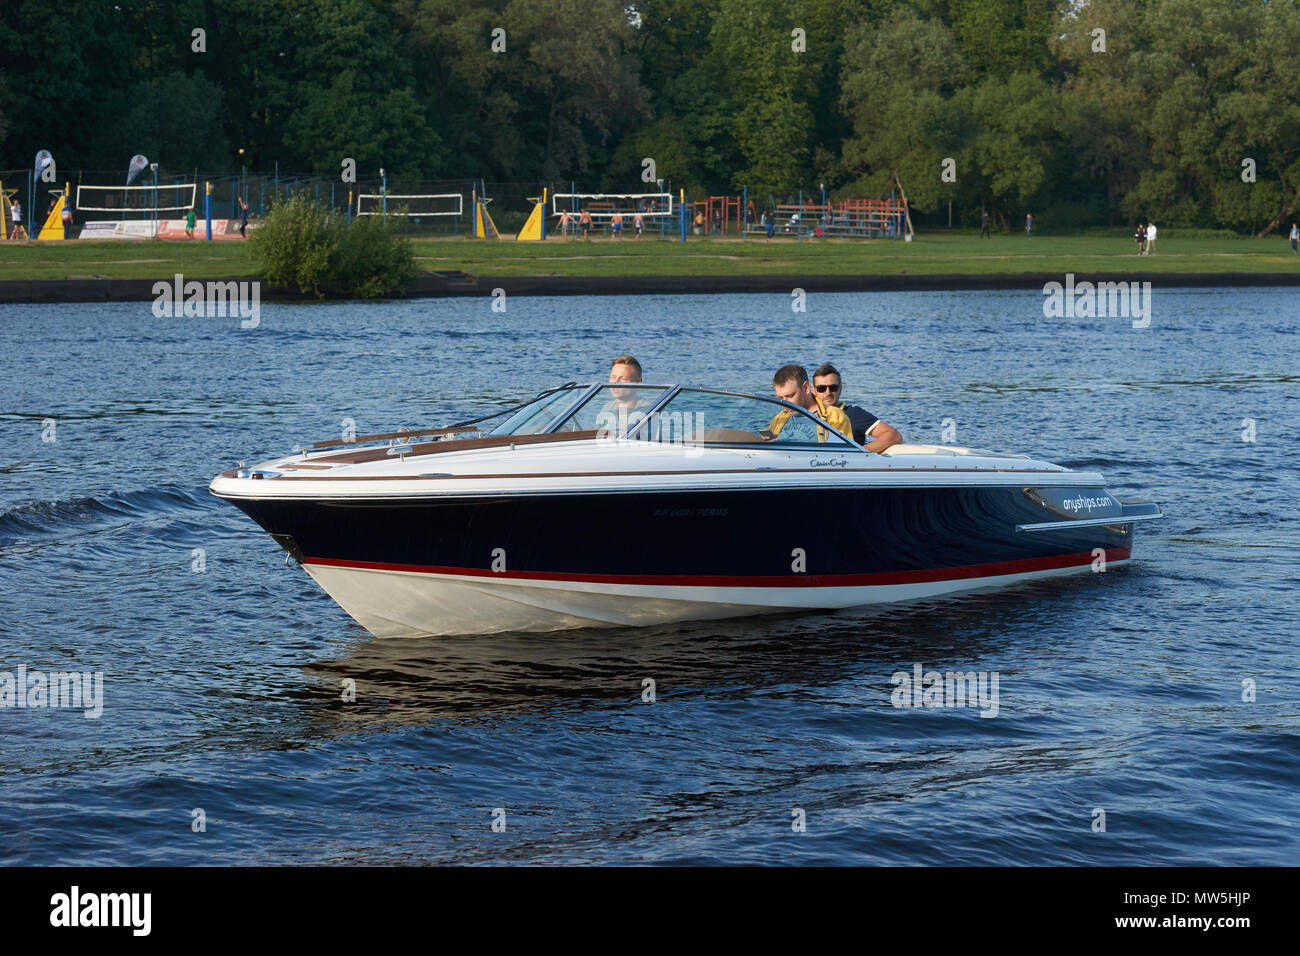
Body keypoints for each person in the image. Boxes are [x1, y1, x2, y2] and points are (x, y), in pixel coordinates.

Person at [811, 363, 903, 453]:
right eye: (821, 389)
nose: (828, 393)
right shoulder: (807, 415)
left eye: (833, 388)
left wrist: (859, 452)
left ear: (840, 389)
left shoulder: (854, 414)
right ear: (814, 390)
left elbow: (893, 435)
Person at [764, 364, 854, 444]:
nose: (785, 403)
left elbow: (843, 456)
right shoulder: (779, 419)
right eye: (780, 398)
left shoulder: (836, 417)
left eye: (790, 396)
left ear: (806, 388)